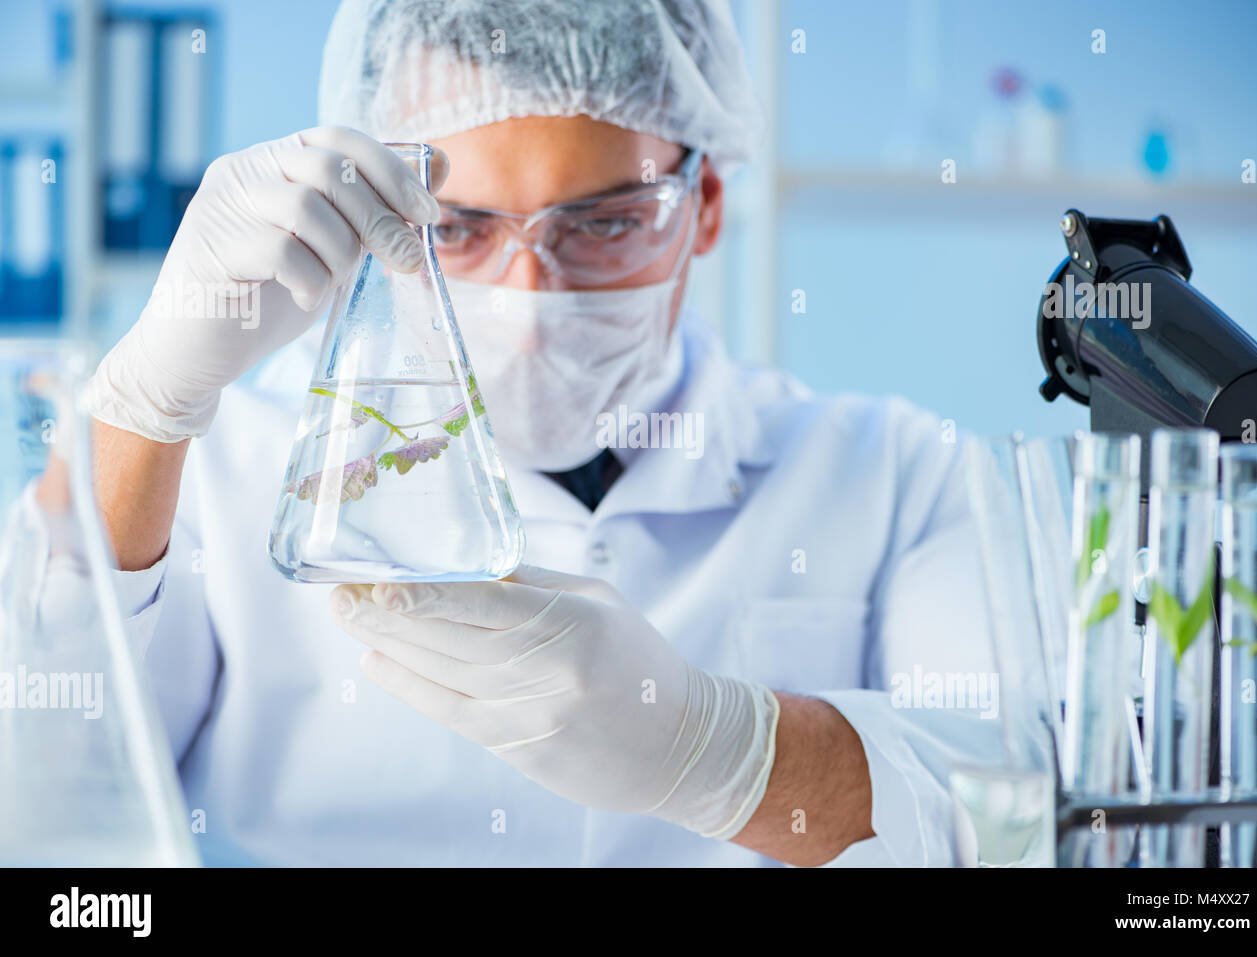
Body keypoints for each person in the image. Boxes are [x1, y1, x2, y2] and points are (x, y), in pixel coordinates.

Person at [75, 0, 1002, 866]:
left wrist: (724, 751)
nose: (529, 300)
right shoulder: (231, 461)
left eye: (604, 223)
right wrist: (142, 410)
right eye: (455, 227)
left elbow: (1022, 815)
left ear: (706, 202)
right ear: (374, 214)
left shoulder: (894, 474)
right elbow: (46, 792)